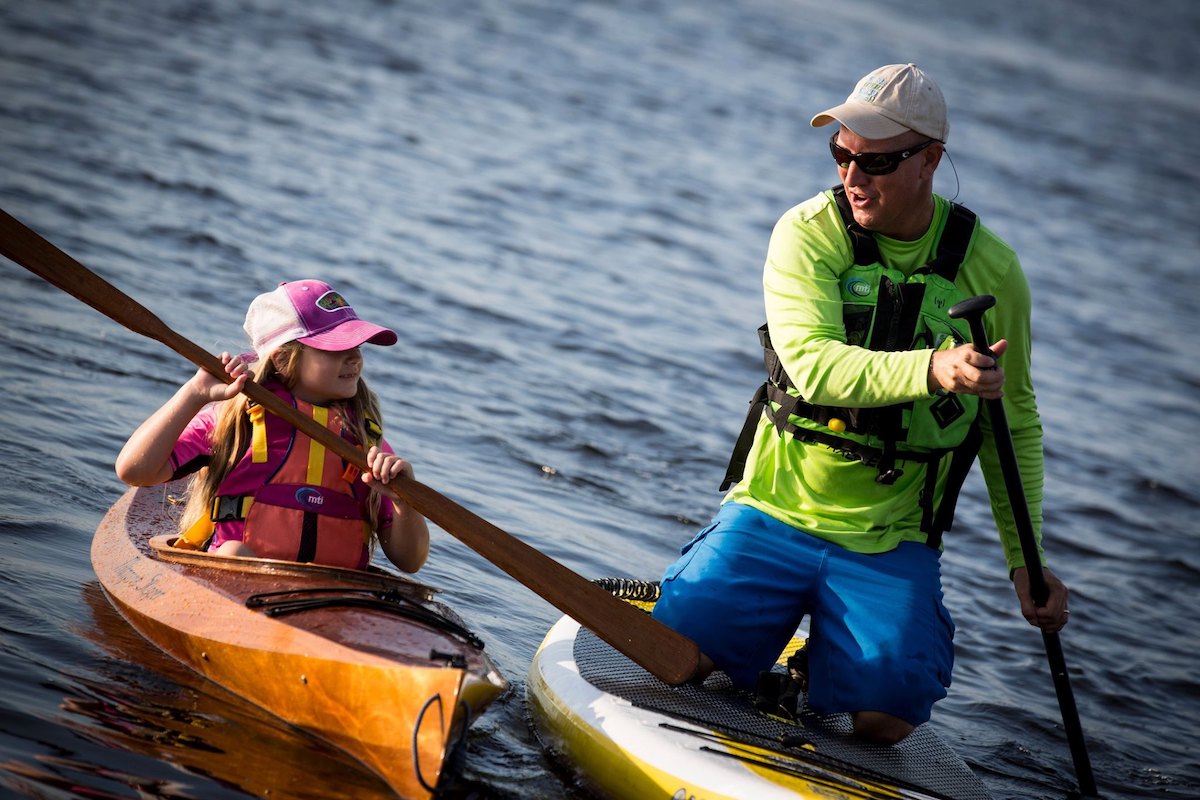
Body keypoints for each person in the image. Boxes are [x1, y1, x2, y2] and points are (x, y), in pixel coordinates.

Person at [652, 64, 1069, 744]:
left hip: (891, 539)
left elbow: (1012, 420)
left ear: (930, 160)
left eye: (875, 161)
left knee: (885, 720)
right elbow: (813, 367)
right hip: (774, 511)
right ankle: (726, 618)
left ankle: (822, 673)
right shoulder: (807, 233)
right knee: (679, 660)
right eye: (841, 154)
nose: (852, 175)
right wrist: (934, 369)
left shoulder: (994, 272)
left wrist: (1027, 559)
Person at [116, 279, 429, 574]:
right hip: (236, 586)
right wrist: (194, 394)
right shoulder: (234, 420)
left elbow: (410, 561)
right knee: (234, 552)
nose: (354, 359)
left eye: (357, 346)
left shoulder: (366, 440)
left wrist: (404, 504)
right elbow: (134, 471)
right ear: (281, 359)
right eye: (336, 348)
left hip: (331, 598)